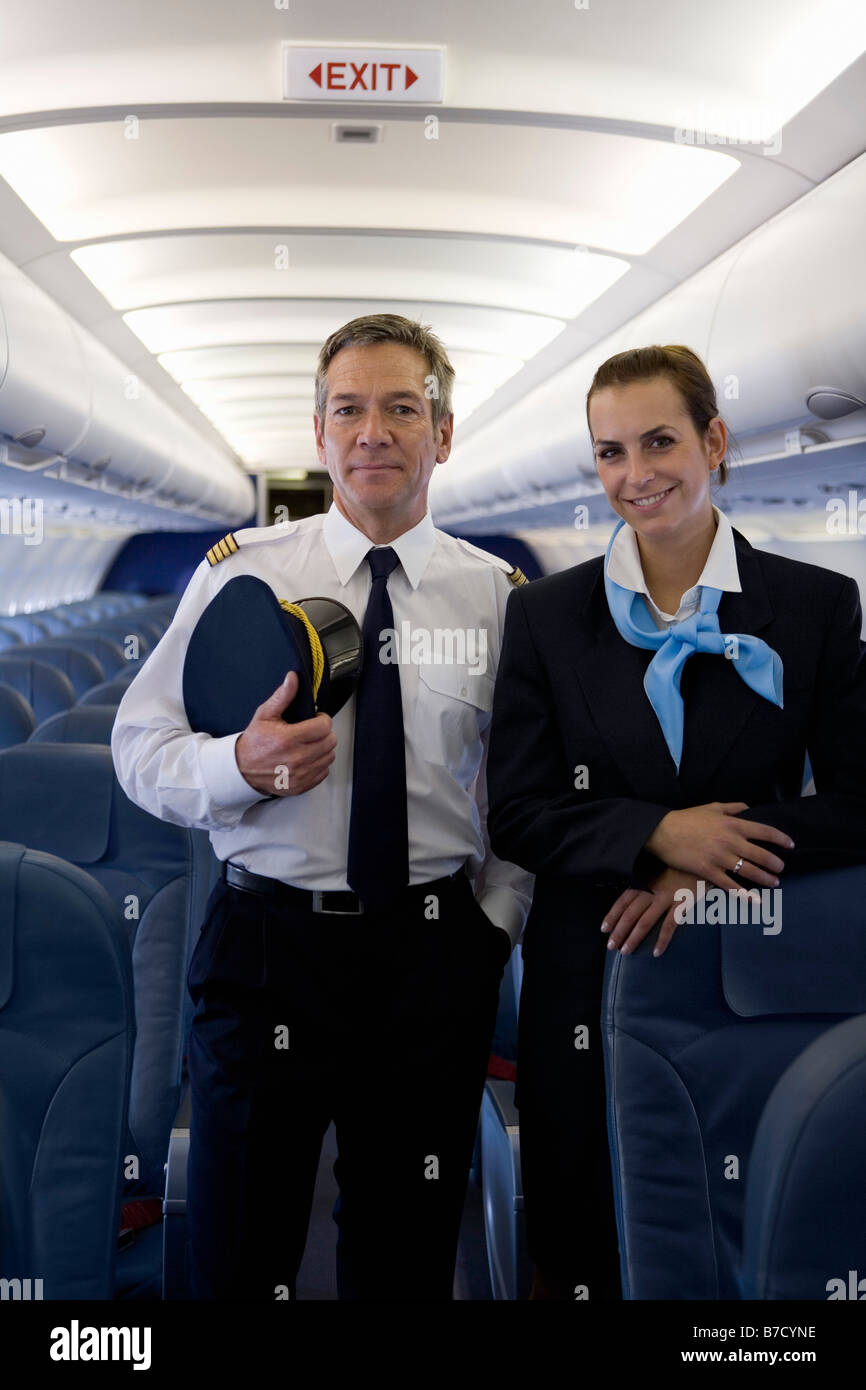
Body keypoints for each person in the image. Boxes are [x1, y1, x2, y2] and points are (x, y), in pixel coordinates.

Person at [111, 313, 532, 1301]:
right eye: (349, 408)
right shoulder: (244, 573)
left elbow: (523, 792)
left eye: (400, 407)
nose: (372, 430)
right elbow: (138, 748)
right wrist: (235, 765)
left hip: (433, 953)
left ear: (444, 431)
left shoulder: (498, 599)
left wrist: (491, 924)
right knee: (239, 1251)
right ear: (318, 432)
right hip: (267, 951)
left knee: (406, 1251)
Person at [486, 344, 866, 1301]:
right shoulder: (546, 616)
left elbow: (861, 807)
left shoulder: (815, 608)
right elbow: (520, 814)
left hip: (754, 981)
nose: (636, 473)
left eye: (659, 441)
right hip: (589, 981)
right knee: (585, 1250)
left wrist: (718, 857)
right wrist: (658, 834)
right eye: (611, 452)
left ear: (715, 440)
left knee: (740, 1252)